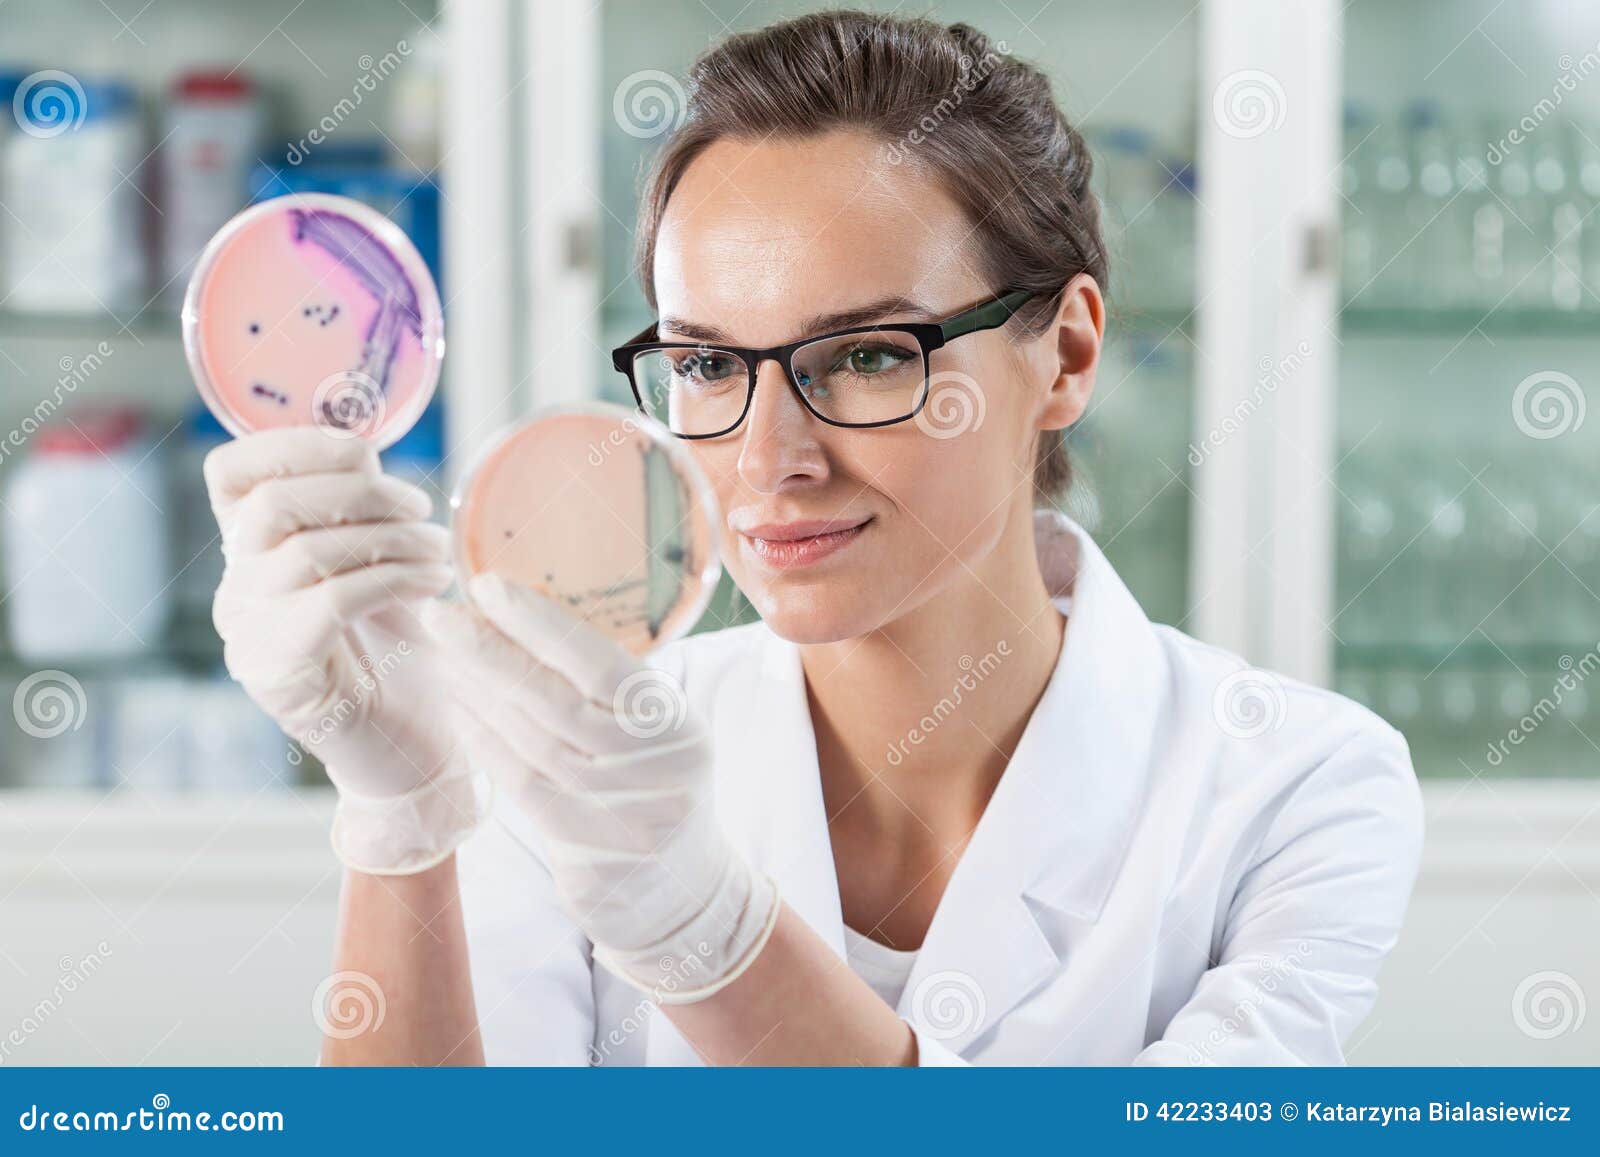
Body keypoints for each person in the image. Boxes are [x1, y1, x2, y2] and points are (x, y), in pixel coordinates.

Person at [202, 10, 1423, 1066]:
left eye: (869, 354)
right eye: (707, 363)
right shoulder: (568, 759)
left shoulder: (1293, 784)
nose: (771, 457)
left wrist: (704, 931)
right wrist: (407, 815)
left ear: (1065, 352)